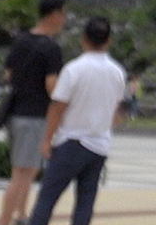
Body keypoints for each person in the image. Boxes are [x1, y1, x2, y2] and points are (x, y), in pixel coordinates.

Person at [28, 16, 127, 225]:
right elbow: (115, 111)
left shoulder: (74, 69)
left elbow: (57, 107)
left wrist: (47, 139)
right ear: (108, 40)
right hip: (99, 145)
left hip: (71, 142)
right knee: (85, 202)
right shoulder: (118, 72)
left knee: (47, 198)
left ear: (83, 39)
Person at [0, 0, 65, 225]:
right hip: (35, 116)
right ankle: (5, 220)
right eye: (63, 14)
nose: (64, 19)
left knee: (27, 172)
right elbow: (52, 86)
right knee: (21, 175)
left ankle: (21, 216)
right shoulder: (51, 48)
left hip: (15, 113)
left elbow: (8, 73)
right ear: (55, 14)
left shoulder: (21, 40)